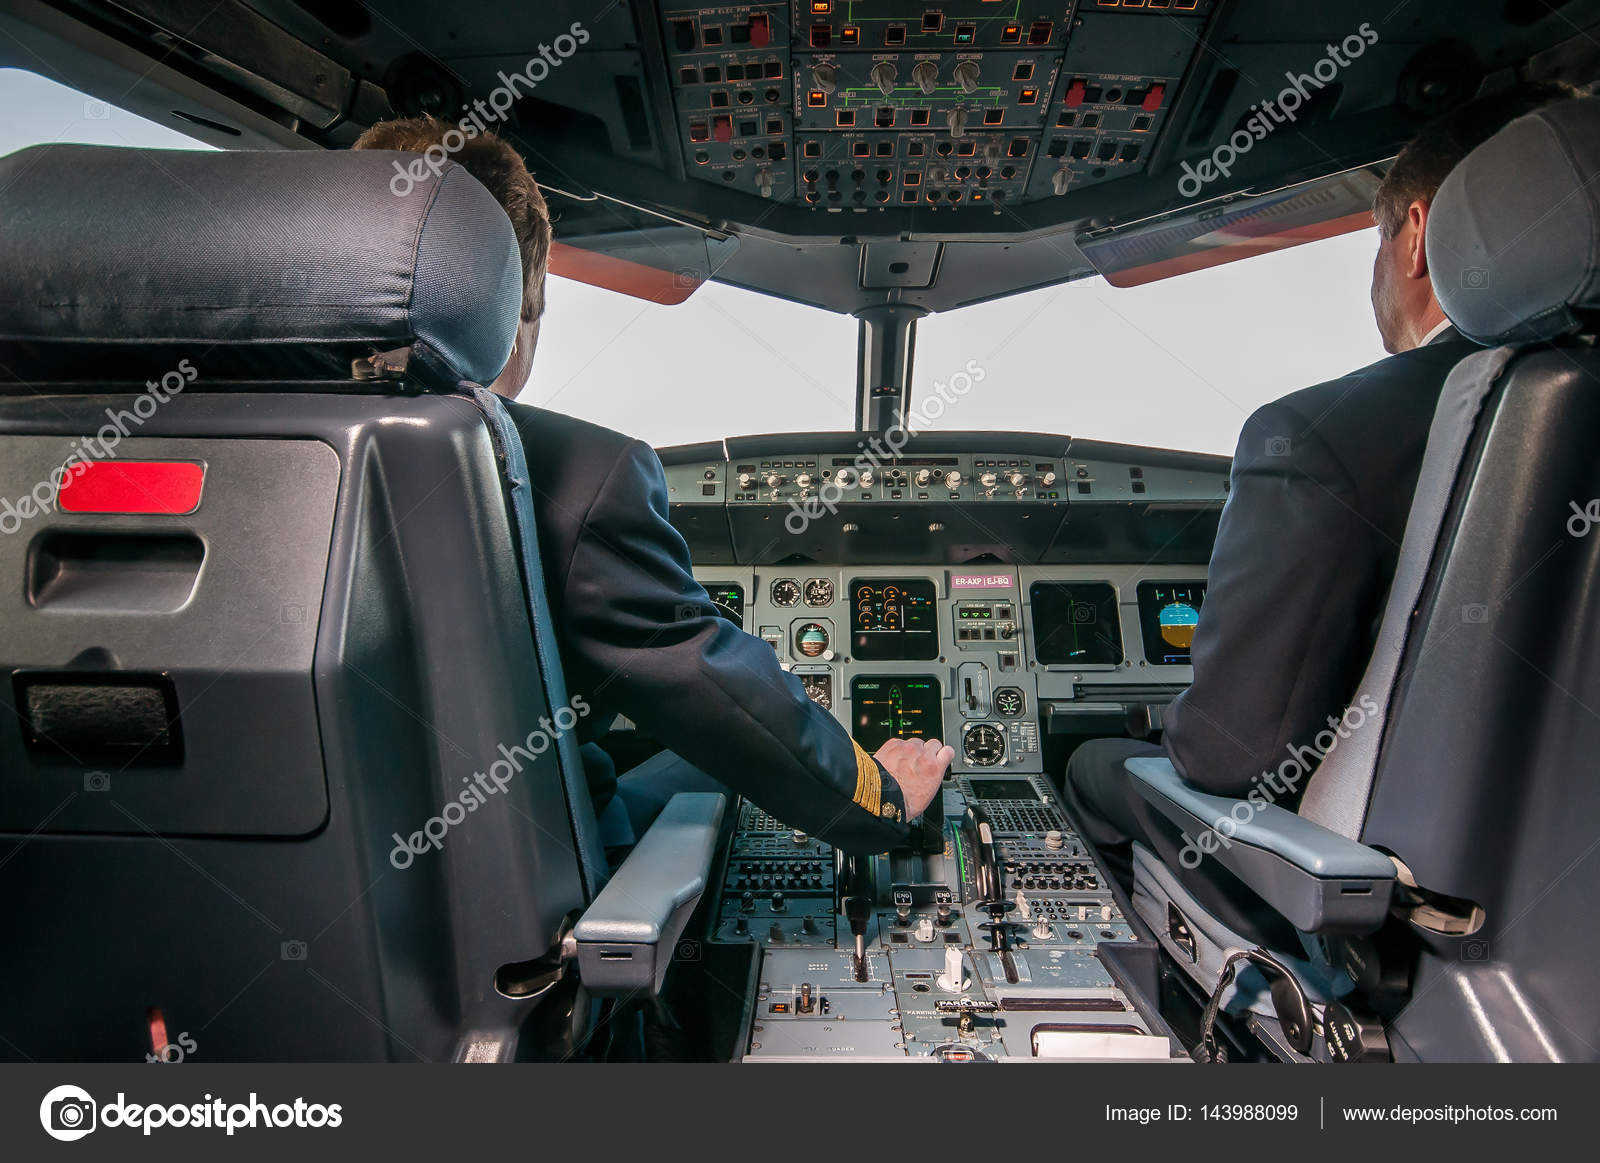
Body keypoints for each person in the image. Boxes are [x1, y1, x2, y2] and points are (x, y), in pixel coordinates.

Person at [353, 117, 951, 855]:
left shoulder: (193, 429)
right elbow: (728, 703)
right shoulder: (571, 476)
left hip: (352, 899)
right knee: (730, 770)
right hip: (554, 884)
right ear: (515, 311)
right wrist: (882, 799)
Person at [1062, 81, 1576, 921]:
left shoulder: (1319, 438)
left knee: (1091, 769)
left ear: (1417, 237)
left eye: (1376, 239)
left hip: (1386, 915)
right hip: (1556, 924)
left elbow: (1228, 762)